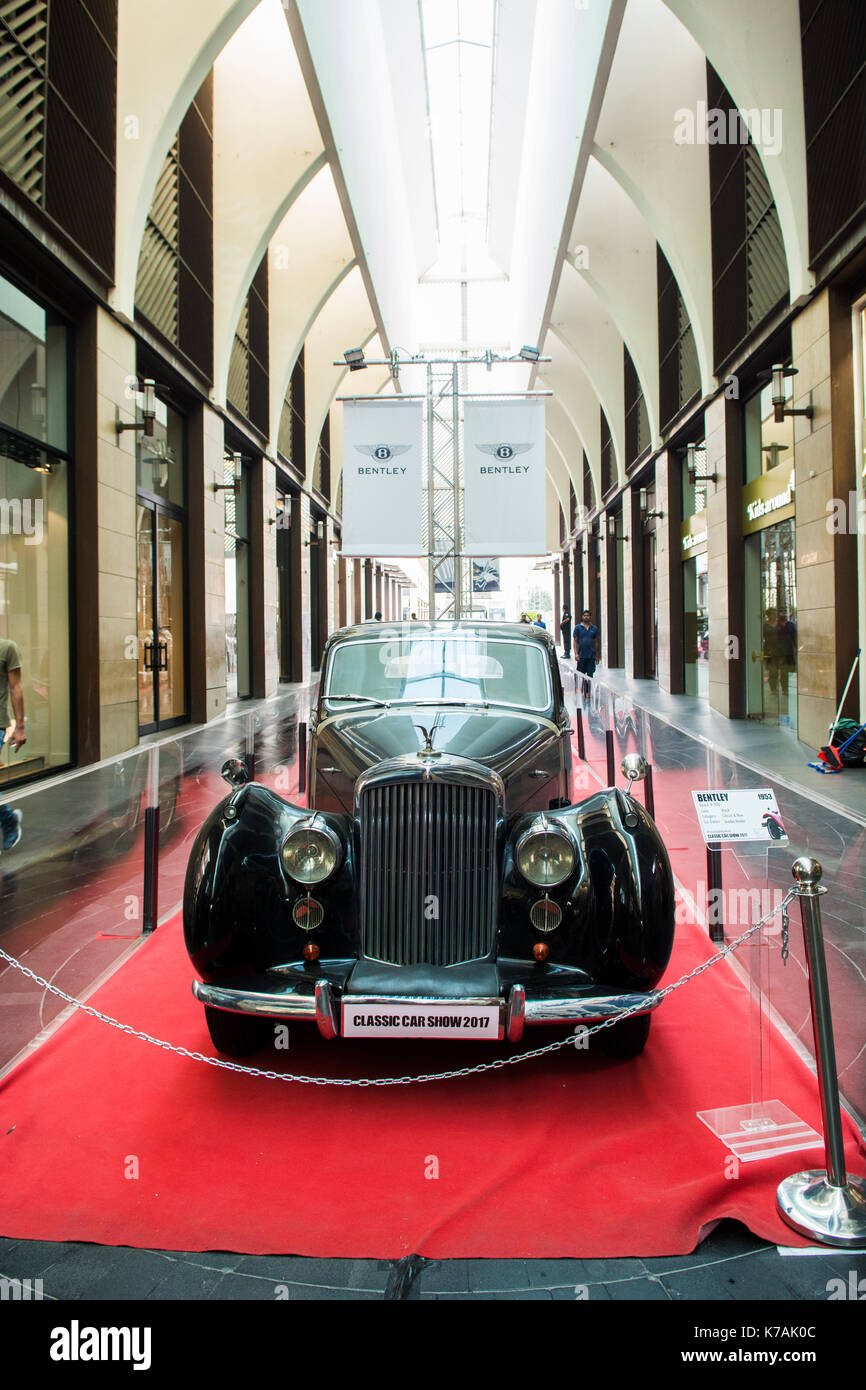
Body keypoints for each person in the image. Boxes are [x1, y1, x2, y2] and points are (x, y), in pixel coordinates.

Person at [0, 636, 25, 853]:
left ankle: (9, 821)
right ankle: (8, 818)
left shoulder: (7, 648)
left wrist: (20, 727)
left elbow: (16, 688)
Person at [574, 610, 600, 682]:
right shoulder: (577, 628)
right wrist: (576, 653)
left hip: (591, 656)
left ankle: (588, 690)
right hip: (581, 655)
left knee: (590, 675)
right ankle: (581, 689)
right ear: (582, 617)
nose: (586, 617)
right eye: (584, 615)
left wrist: (597, 655)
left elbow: (596, 642)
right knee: (580, 675)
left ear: (590, 617)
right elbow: (575, 641)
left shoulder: (594, 628)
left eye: (587, 615)